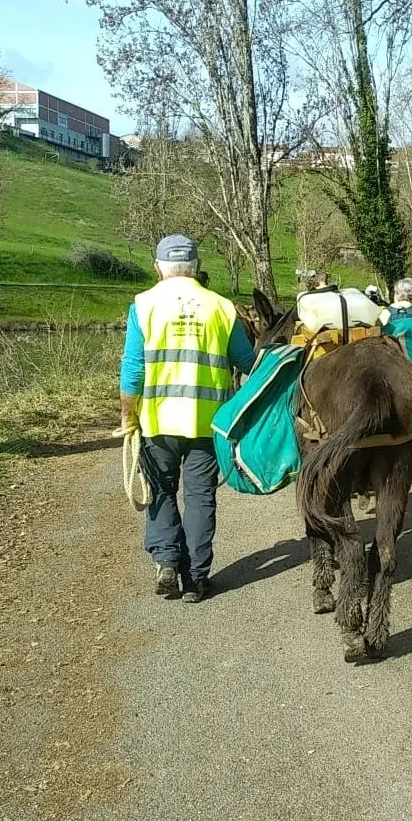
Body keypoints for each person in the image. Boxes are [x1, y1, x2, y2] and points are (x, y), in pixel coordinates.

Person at [119, 234, 257, 602]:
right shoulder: (222, 307)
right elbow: (247, 362)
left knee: (160, 491)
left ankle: (167, 561)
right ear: (196, 267)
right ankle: (196, 579)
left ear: (158, 267)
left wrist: (127, 414)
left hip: (158, 423)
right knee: (200, 497)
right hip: (206, 424)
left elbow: (133, 369)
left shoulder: (143, 305)